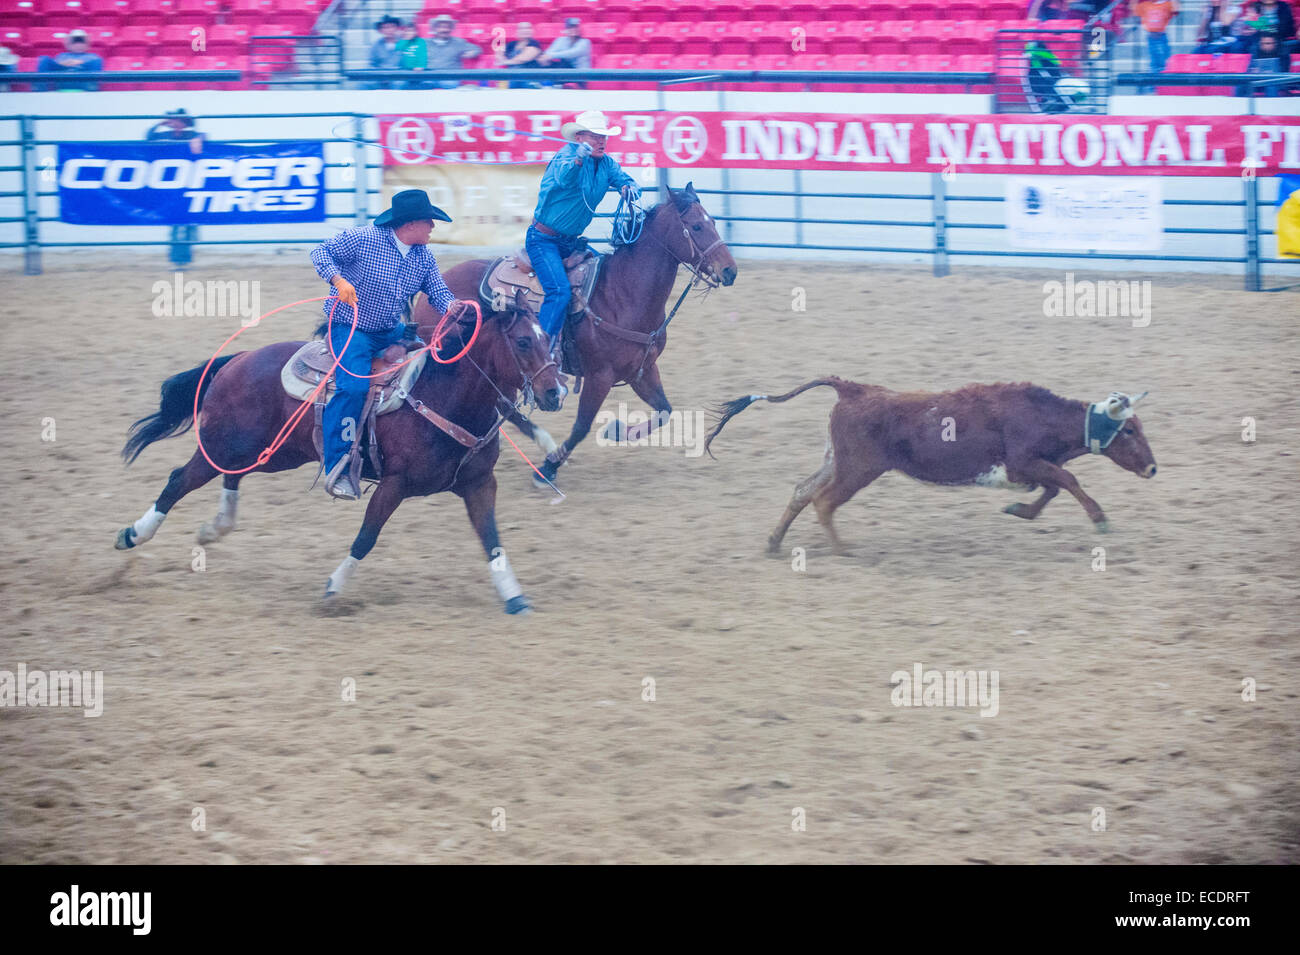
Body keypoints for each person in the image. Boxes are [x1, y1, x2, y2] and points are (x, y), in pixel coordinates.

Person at [309, 190, 466, 500]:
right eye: (428, 222)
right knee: (352, 387)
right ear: (409, 225)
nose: (433, 227)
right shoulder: (364, 238)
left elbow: (437, 291)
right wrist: (338, 281)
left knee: (430, 362)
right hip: (349, 326)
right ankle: (337, 465)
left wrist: (453, 305)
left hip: (389, 329)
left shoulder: (423, 257)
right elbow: (320, 253)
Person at [527, 110, 640, 350]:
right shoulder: (565, 156)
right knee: (558, 291)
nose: (602, 141)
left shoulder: (607, 164)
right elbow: (565, 179)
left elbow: (626, 180)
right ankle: (543, 350)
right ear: (579, 137)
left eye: (604, 136)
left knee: (605, 279)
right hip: (543, 240)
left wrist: (629, 189)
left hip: (570, 242)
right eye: (596, 135)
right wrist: (579, 160)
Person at [146, 109, 205, 267]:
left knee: (187, 222)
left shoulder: (192, 135)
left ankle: (185, 257)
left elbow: (203, 138)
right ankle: (177, 259)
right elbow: (148, 137)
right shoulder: (164, 136)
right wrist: (159, 124)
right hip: (172, 184)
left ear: (184, 123)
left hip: (188, 183)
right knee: (175, 222)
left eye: (178, 120)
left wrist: (199, 138)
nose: (175, 123)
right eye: (173, 120)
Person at [425, 14, 482, 89]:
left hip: (449, 77)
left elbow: (477, 49)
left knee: (449, 84)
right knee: (422, 83)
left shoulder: (459, 42)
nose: (444, 30)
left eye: (447, 27)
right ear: (435, 29)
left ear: (451, 29)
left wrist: (472, 53)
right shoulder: (425, 43)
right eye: (441, 27)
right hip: (429, 76)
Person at [37, 29, 103, 90]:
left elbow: (94, 67)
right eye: (75, 42)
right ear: (69, 44)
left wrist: (79, 62)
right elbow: (57, 66)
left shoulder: (92, 56)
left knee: (97, 61)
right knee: (44, 58)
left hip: (82, 80)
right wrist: (66, 63)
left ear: (87, 44)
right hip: (64, 78)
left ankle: (92, 86)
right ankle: (40, 87)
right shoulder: (62, 55)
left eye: (81, 42)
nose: (78, 45)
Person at [1136, 0, 1179, 89]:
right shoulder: (1145, 5)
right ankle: (1153, 86)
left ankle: (1162, 86)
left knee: (1163, 62)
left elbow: (1176, 11)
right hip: (1150, 37)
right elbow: (1136, 12)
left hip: (1162, 36)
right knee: (1154, 63)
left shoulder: (1167, 4)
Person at [495, 22, 543, 88]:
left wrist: (506, 61)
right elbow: (499, 53)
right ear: (517, 31)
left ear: (532, 31)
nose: (525, 30)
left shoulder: (534, 43)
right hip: (512, 76)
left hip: (529, 77)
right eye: (522, 28)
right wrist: (501, 58)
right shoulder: (512, 44)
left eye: (528, 28)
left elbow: (524, 58)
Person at [368, 16, 402, 89]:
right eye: (385, 28)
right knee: (365, 84)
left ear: (396, 28)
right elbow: (372, 64)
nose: (388, 30)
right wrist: (381, 76)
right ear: (381, 30)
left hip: (399, 76)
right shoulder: (376, 45)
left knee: (399, 84)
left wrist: (394, 76)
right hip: (380, 76)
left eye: (391, 27)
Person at [397, 20, 427, 88]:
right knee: (401, 84)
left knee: (418, 86)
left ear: (416, 32)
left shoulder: (421, 41)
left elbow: (423, 54)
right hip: (405, 70)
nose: (409, 33)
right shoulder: (402, 41)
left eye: (412, 31)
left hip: (417, 70)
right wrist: (406, 39)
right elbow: (398, 48)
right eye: (407, 31)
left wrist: (420, 65)